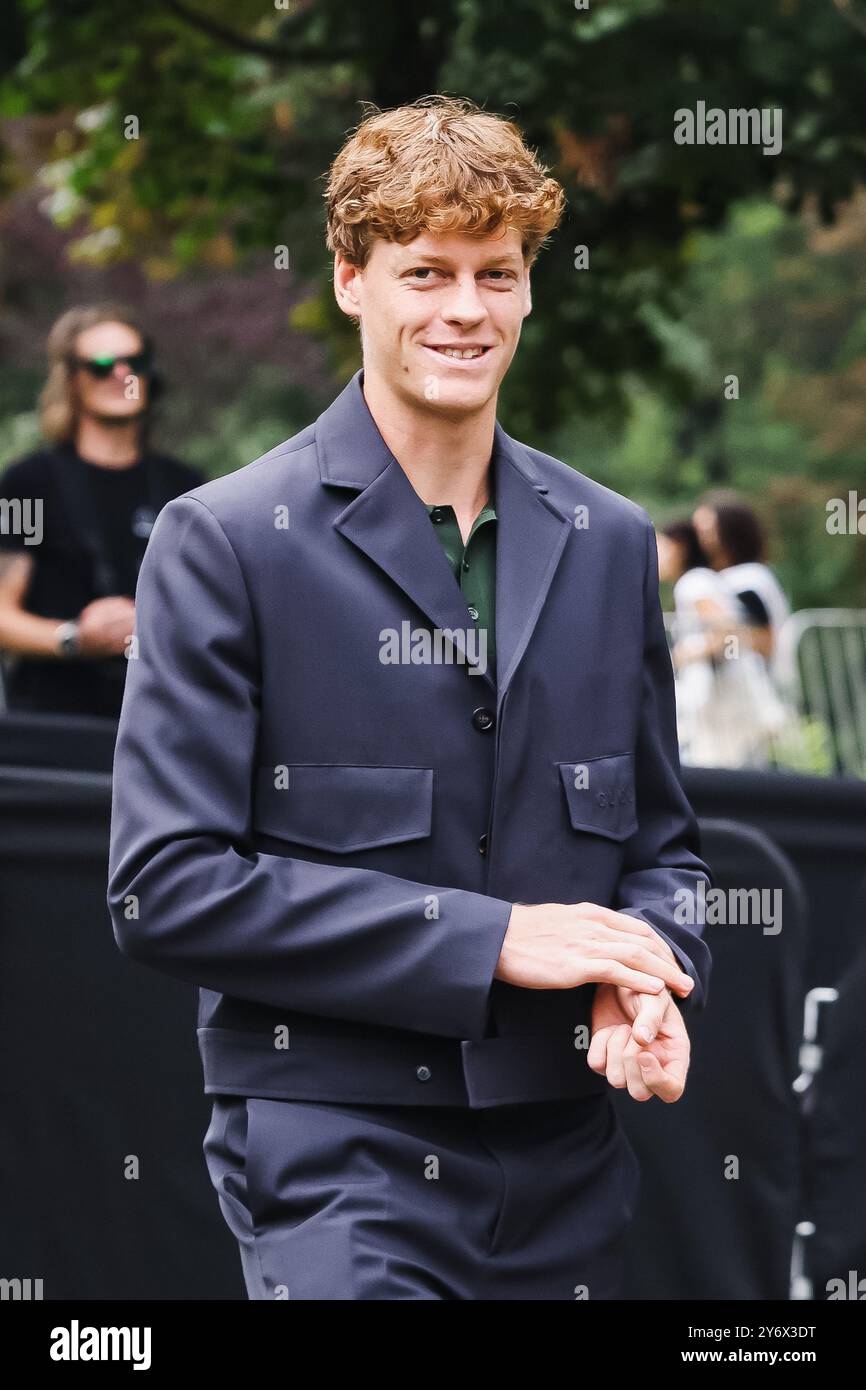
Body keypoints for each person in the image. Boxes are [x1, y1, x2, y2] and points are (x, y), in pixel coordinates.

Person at [107, 96, 712, 1301]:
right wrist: (496, 940)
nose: (464, 310)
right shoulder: (223, 540)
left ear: (530, 288)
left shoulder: (607, 539)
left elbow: (661, 848)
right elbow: (163, 887)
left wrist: (641, 970)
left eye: (496, 273)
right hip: (336, 1156)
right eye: (425, 270)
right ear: (349, 279)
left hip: (567, 1157)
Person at [0, 305, 202, 719]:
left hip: (161, 724)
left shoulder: (187, 488)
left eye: (135, 362)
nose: (120, 374)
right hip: (52, 735)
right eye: (102, 364)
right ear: (71, 380)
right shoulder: (29, 484)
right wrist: (74, 638)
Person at [657, 519, 789, 767]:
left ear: (679, 546)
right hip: (732, 698)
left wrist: (681, 656)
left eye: (660, 545)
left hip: (726, 701)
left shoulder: (693, 582)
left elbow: (727, 630)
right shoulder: (704, 579)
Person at [692, 491, 791, 674]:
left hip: (758, 686)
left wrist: (704, 648)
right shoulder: (748, 576)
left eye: (707, 531)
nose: (700, 539)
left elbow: (765, 640)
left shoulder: (746, 580)